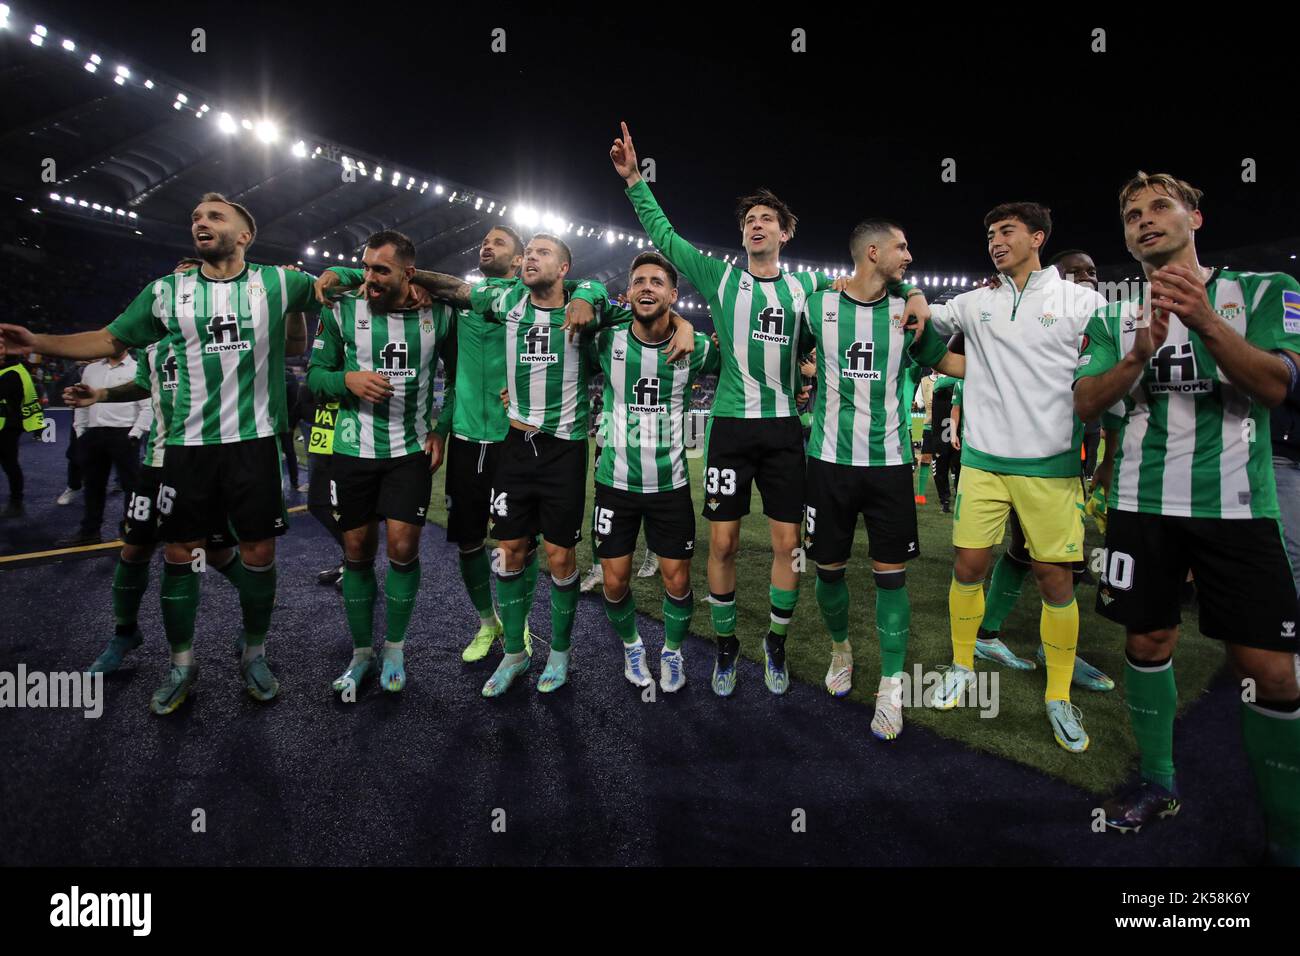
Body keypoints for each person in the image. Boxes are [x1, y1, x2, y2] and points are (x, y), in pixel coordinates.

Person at [611, 120, 925, 697]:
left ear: (785, 233)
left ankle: (774, 644)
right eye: (748, 220)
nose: (755, 225)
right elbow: (667, 234)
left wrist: (915, 293)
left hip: (785, 433)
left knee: (789, 547)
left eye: (766, 219)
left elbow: (870, 290)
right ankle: (726, 647)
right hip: (730, 429)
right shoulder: (720, 277)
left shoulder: (809, 290)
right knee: (724, 544)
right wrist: (635, 180)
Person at [0, 192, 314, 714]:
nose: (200, 223)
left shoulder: (279, 281)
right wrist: (38, 341)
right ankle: (180, 663)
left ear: (245, 235)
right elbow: (107, 339)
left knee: (258, 554)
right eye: (195, 217)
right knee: (177, 555)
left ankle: (254, 652)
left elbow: (345, 288)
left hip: (254, 444)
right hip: (184, 450)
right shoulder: (165, 293)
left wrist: (410, 287)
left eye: (215, 216)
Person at [1074, 171, 1300, 862]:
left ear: (1195, 219)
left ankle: (1287, 834)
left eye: (1160, 207)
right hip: (1143, 508)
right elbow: (1086, 403)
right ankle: (1159, 783)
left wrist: (1202, 320)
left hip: (1238, 509)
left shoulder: (1264, 290)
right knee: (1145, 644)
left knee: (1272, 671)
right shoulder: (1112, 316)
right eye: (1131, 213)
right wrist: (1140, 352)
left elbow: (1273, 388)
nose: (1144, 220)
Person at [926, 201, 1107, 753]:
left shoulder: (1080, 300)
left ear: (1037, 237)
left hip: (1051, 468)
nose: (995, 240)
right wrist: (916, 313)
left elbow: (1105, 355)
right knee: (968, 566)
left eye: (1006, 231)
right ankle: (961, 665)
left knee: (1056, 581)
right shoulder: (974, 301)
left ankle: (1057, 696)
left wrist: (1089, 377)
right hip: (982, 461)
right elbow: (925, 334)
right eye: (989, 233)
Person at [801, 219, 961, 740]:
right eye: (902, 247)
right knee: (828, 571)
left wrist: (1019, 367)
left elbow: (942, 360)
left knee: (890, 576)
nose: (909, 255)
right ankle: (840, 651)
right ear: (873, 252)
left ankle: (891, 683)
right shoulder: (816, 305)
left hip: (890, 465)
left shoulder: (910, 315)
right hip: (827, 464)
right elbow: (776, 343)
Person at [63, 259, 252, 675]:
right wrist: (100, 395)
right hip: (157, 460)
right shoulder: (155, 346)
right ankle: (125, 632)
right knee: (134, 549)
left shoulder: (225, 337)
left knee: (214, 552)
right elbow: (142, 386)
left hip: (205, 462)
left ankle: (254, 613)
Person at [586, 252, 718, 691]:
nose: (647, 287)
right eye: (639, 281)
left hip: (670, 486)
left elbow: (738, 360)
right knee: (614, 579)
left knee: (677, 580)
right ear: (627, 293)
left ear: (673, 294)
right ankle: (631, 646)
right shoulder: (608, 341)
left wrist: (688, 327)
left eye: (657, 282)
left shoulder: (693, 350)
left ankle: (673, 653)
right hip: (614, 484)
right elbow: (570, 305)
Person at [56, 346, 150, 546]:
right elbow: (81, 401)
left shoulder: (138, 369)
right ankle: (90, 531)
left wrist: (135, 434)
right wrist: (81, 431)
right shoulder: (91, 370)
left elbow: (147, 406)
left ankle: (130, 528)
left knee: (130, 485)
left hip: (124, 433)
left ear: (128, 345)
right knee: (93, 486)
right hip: (94, 432)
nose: (114, 346)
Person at [0, 346, 45, 518]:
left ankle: (16, 502)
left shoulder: (11, 373)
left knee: (10, 464)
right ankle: (16, 501)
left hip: (7, 426)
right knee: (10, 464)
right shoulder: (14, 370)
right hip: (9, 424)